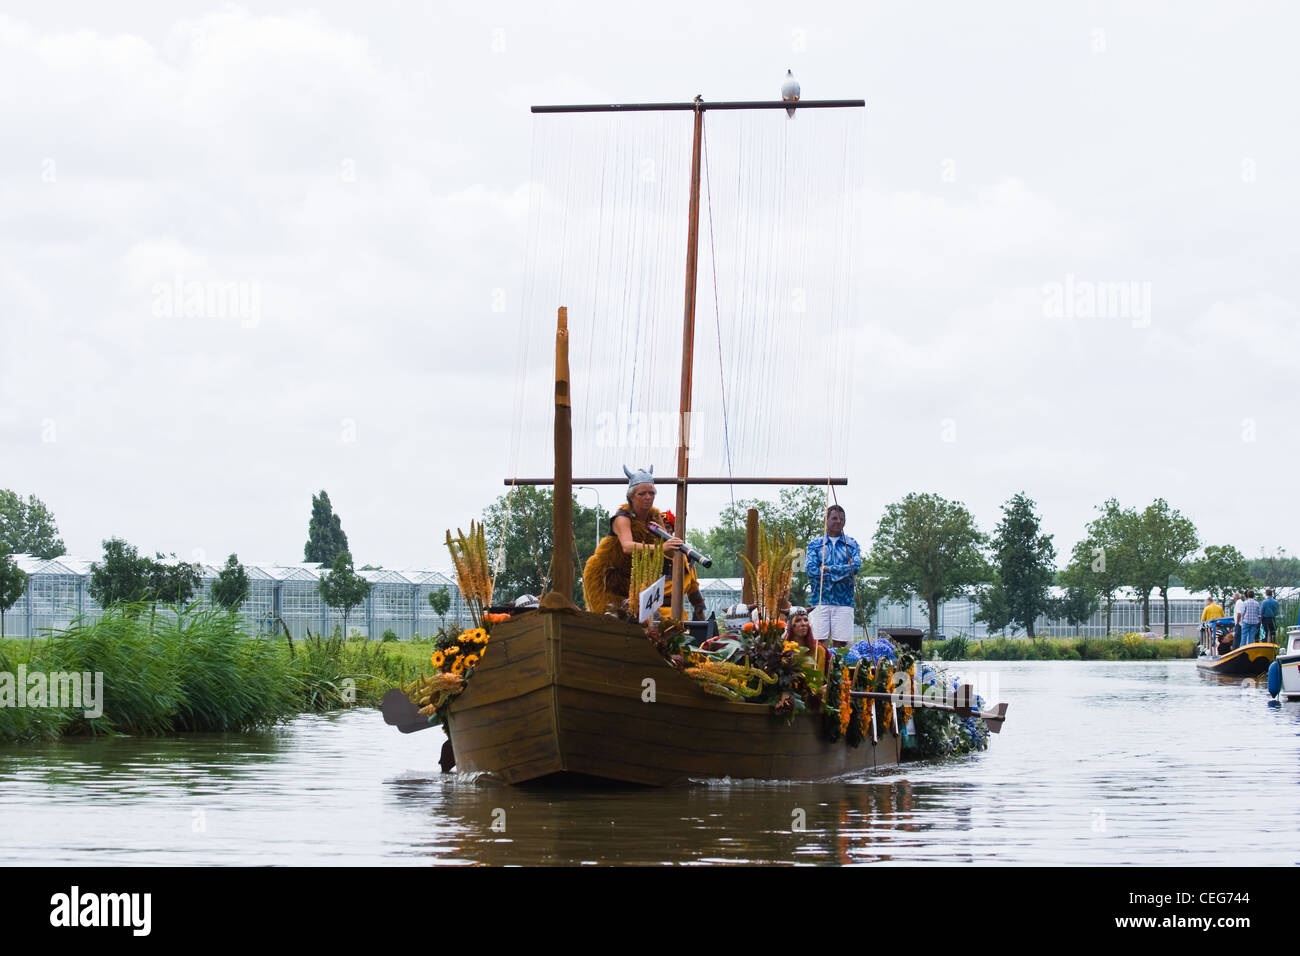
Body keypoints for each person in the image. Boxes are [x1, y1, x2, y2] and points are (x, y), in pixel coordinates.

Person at [580, 465, 703, 619]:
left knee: (638, 621)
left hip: (633, 580)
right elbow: (627, 546)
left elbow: (669, 552)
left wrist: (665, 539)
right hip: (607, 577)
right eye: (642, 493)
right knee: (610, 620)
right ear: (632, 497)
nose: (648, 497)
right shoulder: (622, 518)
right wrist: (660, 547)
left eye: (651, 493)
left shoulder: (655, 517)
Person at [805, 504, 861, 646]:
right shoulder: (815, 545)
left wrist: (828, 569)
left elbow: (855, 567)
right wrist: (842, 572)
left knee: (841, 645)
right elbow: (811, 570)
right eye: (834, 518)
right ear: (826, 520)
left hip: (844, 602)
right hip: (819, 601)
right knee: (817, 645)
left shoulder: (851, 544)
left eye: (842, 519)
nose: (838, 521)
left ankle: (837, 668)